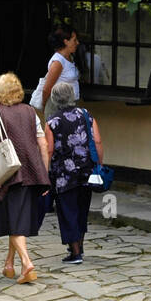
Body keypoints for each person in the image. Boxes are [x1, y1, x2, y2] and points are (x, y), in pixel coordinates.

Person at [0, 73, 50, 284]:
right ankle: (9, 264)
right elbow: (44, 145)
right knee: (18, 217)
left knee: (15, 221)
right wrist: (44, 174)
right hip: (32, 170)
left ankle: (27, 262)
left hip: (10, 172)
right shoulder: (31, 111)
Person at [44, 81, 101, 264]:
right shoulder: (86, 115)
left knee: (68, 211)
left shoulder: (52, 122)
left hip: (63, 174)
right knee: (82, 209)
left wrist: (45, 171)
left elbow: (49, 150)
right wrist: (99, 163)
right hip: (87, 170)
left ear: (54, 99)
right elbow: (97, 141)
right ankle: (80, 246)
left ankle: (75, 253)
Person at [30, 23, 80, 119]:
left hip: (70, 104)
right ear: (66, 42)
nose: (77, 43)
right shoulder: (58, 62)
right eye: (74, 40)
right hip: (58, 106)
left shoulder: (69, 58)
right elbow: (46, 89)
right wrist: (45, 106)